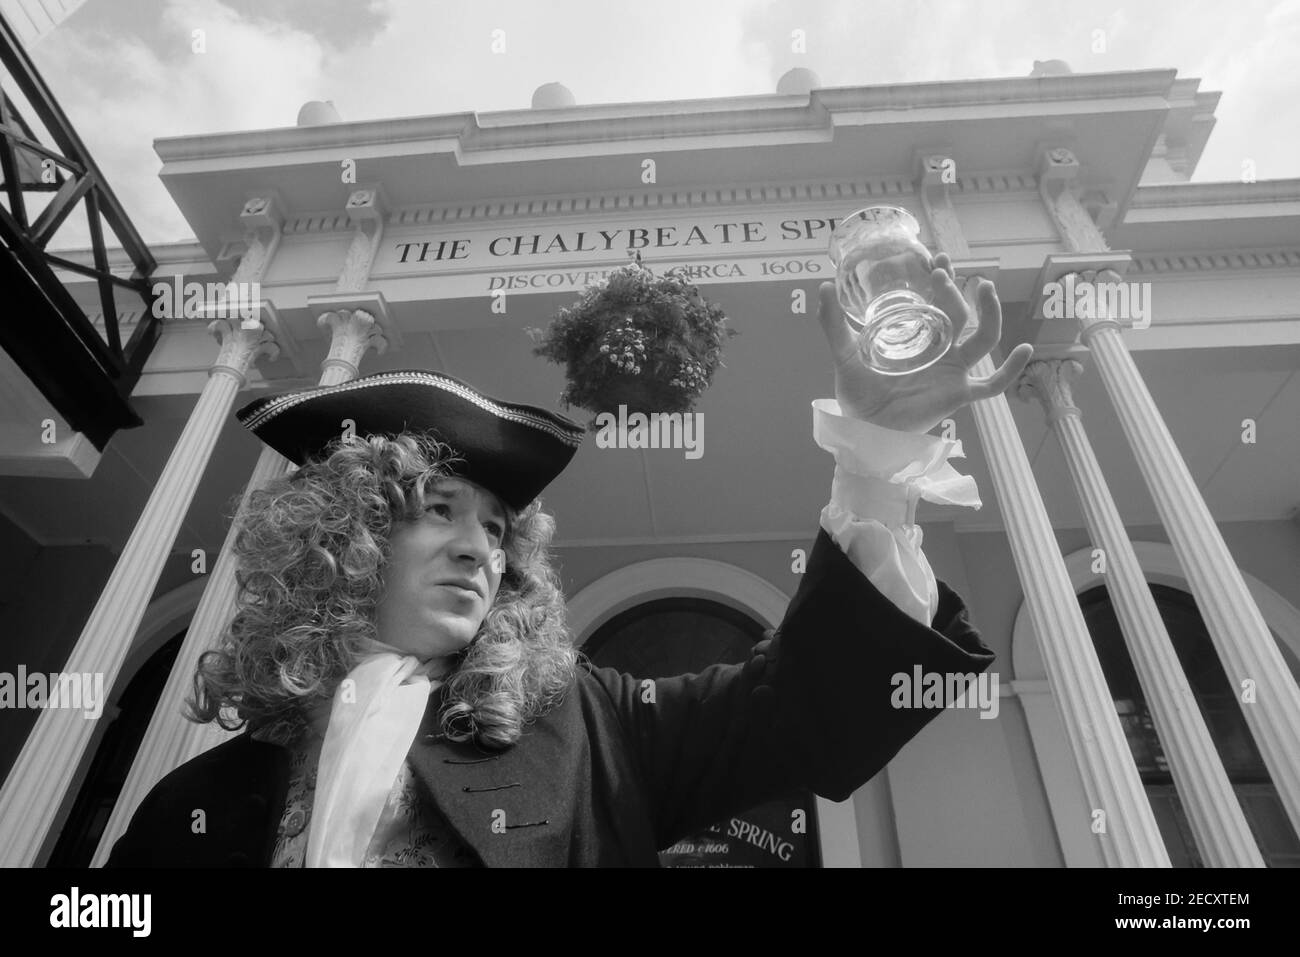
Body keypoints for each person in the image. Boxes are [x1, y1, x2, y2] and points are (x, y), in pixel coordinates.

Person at [106, 257, 1032, 867]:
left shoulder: (590, 729)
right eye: (438, 512)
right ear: (343, 536)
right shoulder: (188, 804)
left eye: (499, 528)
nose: (480, 545)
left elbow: (795, 708)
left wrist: (876, 455)